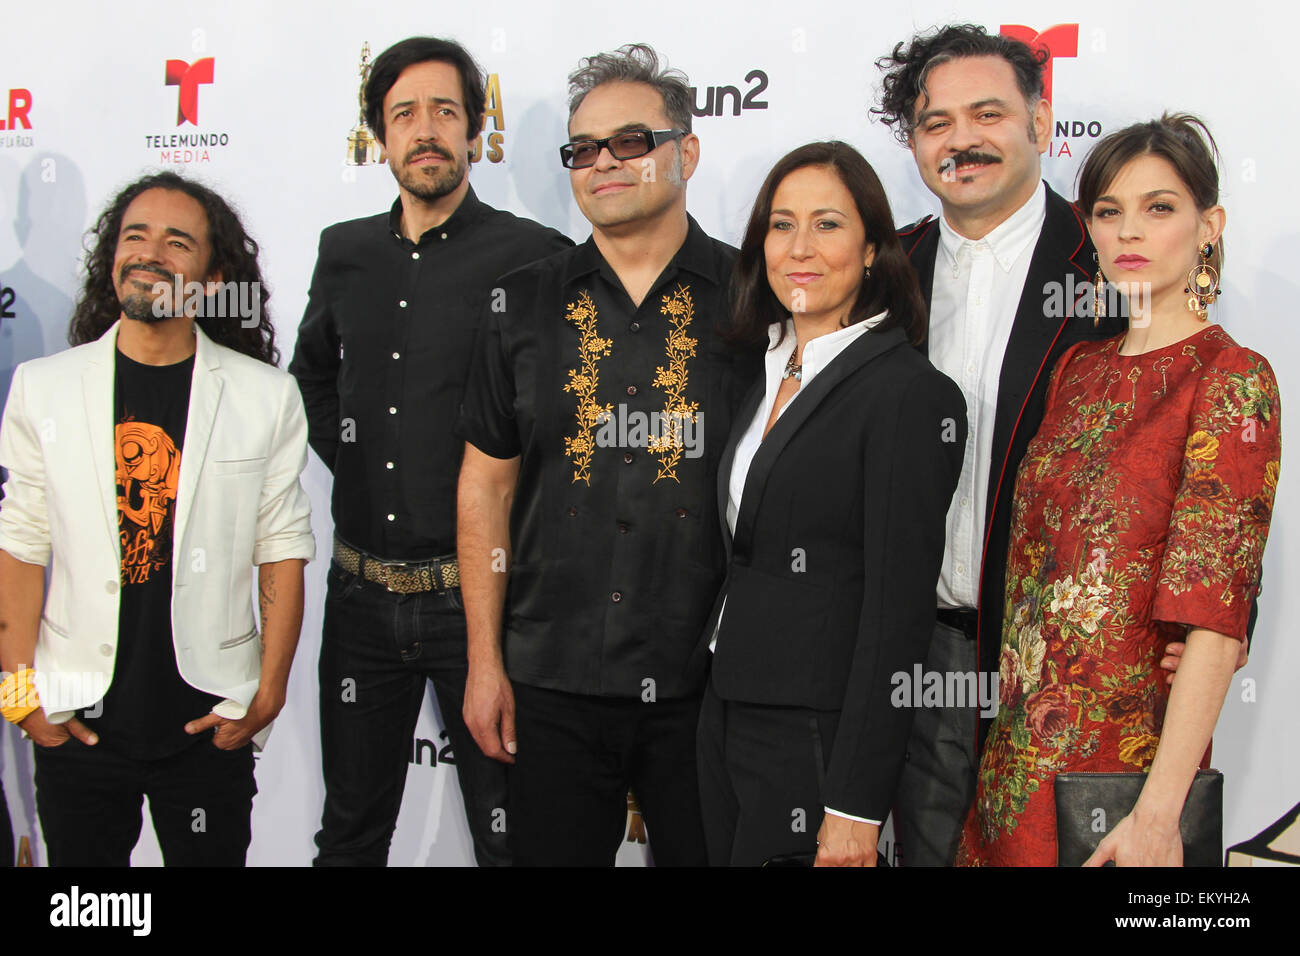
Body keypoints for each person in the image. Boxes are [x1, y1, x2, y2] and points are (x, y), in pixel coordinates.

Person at [456, 43, 761, 866]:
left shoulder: (753, 302)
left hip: (706, 682)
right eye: (583, 149)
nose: (604, 164)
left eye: (632, 142)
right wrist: (485, 661)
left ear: (686, 152)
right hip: (549, 680)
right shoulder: (520, 302)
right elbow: (485, 484)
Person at [957, 114, 1280, 866]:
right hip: (1013, 768)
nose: (1129, 230)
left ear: (1210, 226)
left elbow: (1215, 616)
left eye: (1160, 208)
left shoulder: (1231, 377)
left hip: (1128, 779)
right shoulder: (1078, 371)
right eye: (1108, 211)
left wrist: (1160, 816)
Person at [289, 36, 570, 867]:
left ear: (476, 131)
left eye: (445, 111)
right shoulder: (344, 251)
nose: (425, 130)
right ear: (380, 134)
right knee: (348, 835)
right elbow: (311, 378)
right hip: (360, 598)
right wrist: (375, 458)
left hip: (478, 604)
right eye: (403, 113)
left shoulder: (535, 256)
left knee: (509, 837)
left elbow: (558, 419)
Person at [0, 171, 315, 866]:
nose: (149, 253)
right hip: (77, 720)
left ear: (211, 276)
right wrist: (19, 692)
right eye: (134, 236)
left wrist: (267, 694)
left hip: (208, 724)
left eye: (178, 242)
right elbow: (20, 545)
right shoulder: (44, 389)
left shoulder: (265, 397)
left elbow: (282, 545)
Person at [872, 24, 1126, 865]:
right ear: (912, 143)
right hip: (923, 652)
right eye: (935, 122)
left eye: (987, 114)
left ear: (1041, 124)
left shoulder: (1111, 271)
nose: (961, 140)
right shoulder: (882, 276)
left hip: (1071, 661)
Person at [696, 142, 965, 867]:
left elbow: (896, 613)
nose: (800, 249)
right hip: (726, 707)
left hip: (816, 737)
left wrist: (854, 803)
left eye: (828, 225)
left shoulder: (909, 395)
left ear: (874, 248)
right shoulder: (762, 368)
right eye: (781, 226)